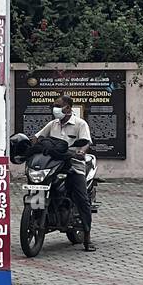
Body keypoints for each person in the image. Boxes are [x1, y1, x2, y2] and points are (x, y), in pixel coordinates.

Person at [32, 95, 95, 251]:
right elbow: (37, 137)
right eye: (54, 105)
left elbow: (86, 142)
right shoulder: (53, 124)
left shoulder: (80, 124)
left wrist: (81, 151)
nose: (55, 108)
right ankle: (38, 215)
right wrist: (30, 144)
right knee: (37, 185)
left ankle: (87, 237)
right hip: (54, 163)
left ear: (68, 108)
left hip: (74, 163)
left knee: (82, 198)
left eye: (58, 105)